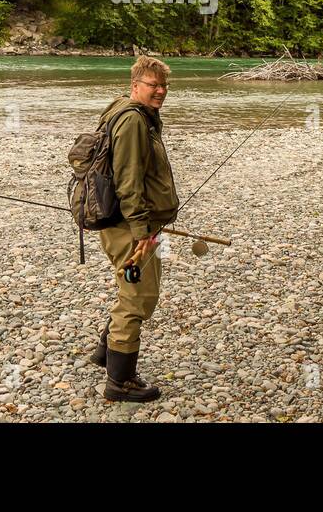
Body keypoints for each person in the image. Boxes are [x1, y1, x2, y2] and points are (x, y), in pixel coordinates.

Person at [89, 55, 179, 403]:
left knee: (132, 292)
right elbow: (127, 180)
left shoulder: (131, 112)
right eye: (152, 85)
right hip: (130, 227)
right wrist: (142, 230)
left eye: (162, 85)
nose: (159, 91)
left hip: (131, 223)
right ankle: (120, 382)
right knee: (138, 298)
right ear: (135, 86)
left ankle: (105, 353)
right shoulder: (132, 121)